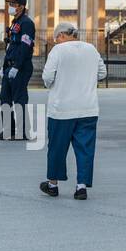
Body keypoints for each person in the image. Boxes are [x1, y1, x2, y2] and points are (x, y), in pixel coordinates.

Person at [39, 22, 106, 200]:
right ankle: (81, 186)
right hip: (88, 108)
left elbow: (47, 77)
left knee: (57, 148)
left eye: (55, 39)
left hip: (62, 109)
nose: (55, 42)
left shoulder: (58, 51)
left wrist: (53, 85)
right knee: (85, 149)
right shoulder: (91, 49)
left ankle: (53, 184)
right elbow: (102, 73)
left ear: (61, 35)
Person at [0, 0, 35, 140]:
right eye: (10, 4)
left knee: (19, 99)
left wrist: (17, 67)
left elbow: (25, 47)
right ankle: (9, 130)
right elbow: (11, 46)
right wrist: (4, 66)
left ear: (21, 6)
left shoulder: (26, 23)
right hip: (10, 65)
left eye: (13, 4)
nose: (10, 7)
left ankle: (23, 131)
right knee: (4, 98)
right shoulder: (15, 22)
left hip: (20, 67)